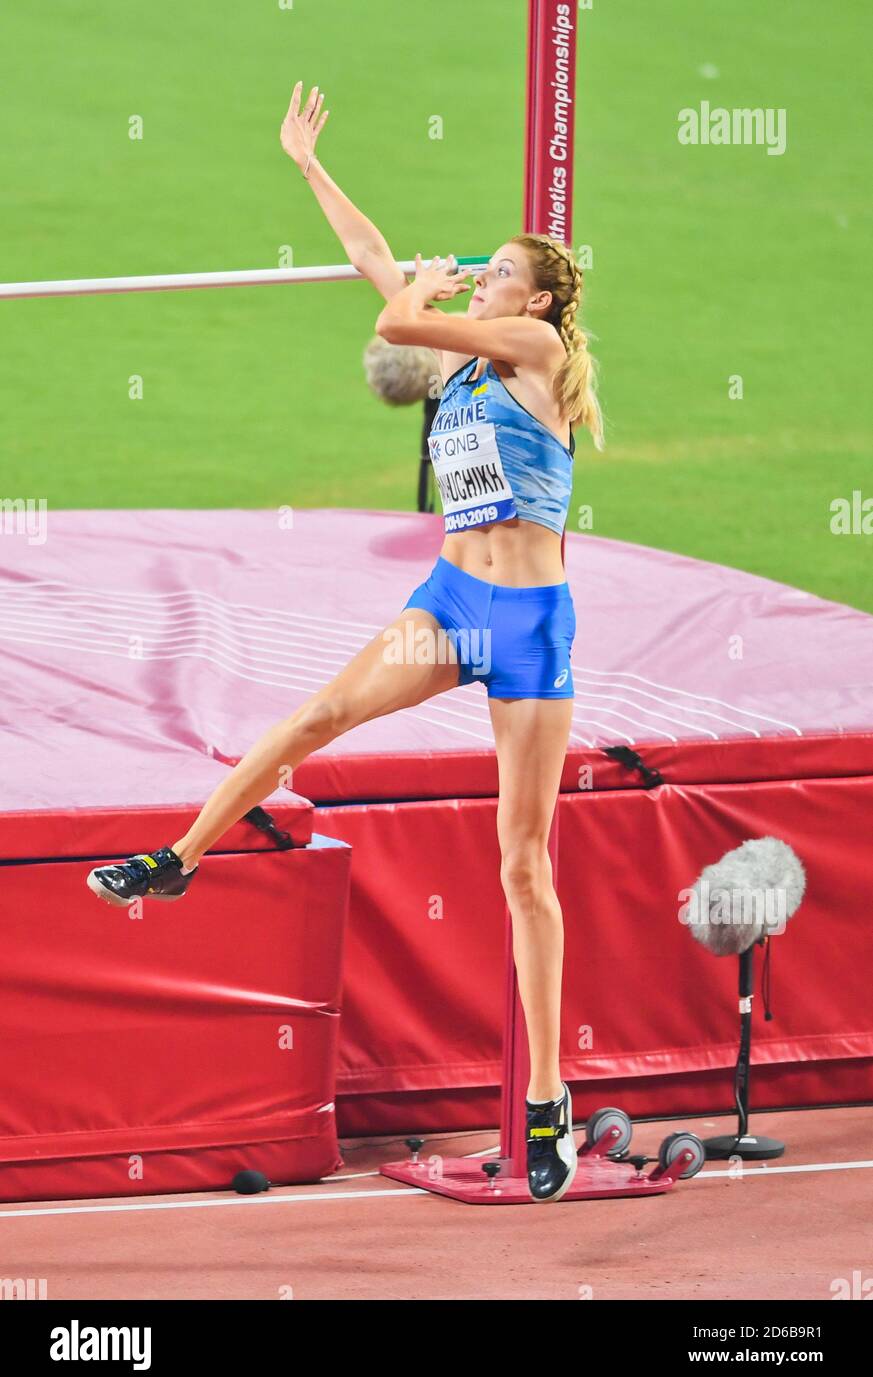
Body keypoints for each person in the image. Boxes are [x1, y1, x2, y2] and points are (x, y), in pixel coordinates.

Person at [86, 82, 604, 1203]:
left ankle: (546, 1097)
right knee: (317, 717)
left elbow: (396, 320)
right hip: (449, 607)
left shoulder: (531, 348)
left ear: (536, 296)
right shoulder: (469, 358)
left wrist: (422, 291)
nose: (485, 276)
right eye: (485, 272)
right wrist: (309, 166)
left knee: (522, 862)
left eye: (500, 269)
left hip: (529, 628)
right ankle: (179, 859)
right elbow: (374, 261)